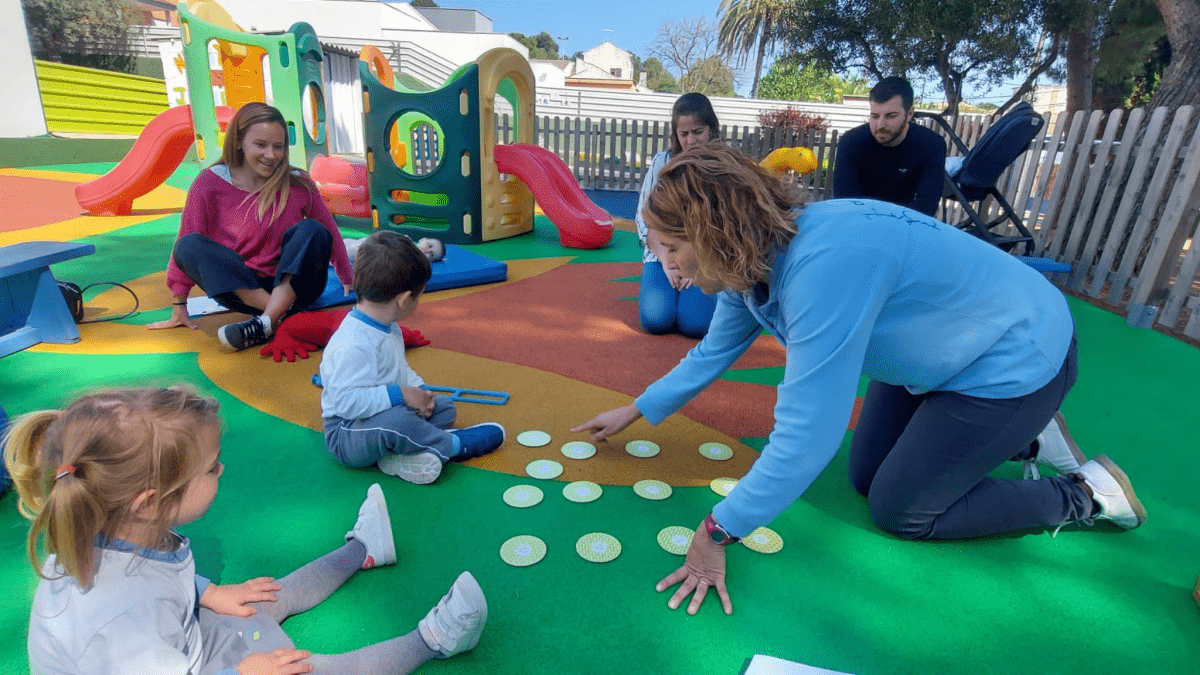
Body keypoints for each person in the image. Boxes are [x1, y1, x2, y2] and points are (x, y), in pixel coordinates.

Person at [572, 143, 1145, 617]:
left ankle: (1087, 494)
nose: (668, 269)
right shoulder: (750, 260)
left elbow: (806, 438)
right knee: (867, 475)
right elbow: (710, 356)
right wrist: (636, 410)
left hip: (1017, 358)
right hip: (941, 355)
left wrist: (718, 531)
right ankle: (1025, 435)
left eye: (673, 249)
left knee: (902, 510)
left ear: (716, 233)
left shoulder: (823, 269)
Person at [3, 386, 488, 674]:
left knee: (261, 598)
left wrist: (208, 593)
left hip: (177, 646)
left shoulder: (108, 525)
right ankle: (434, 640)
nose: (222, 471)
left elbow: (152, 586)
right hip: (178, 662)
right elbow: (137, 614)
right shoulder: (122, 622)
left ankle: (364, 548)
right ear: (149, 504)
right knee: (305, 668)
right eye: (211, 469)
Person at [149, 102, 354, 352]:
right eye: (260, 145)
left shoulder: (299, 183)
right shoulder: (209, 183)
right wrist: (179, 305)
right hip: (242, 289)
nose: (271, 155)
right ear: (239, 142)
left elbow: (328, 230)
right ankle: (281, 316)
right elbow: (188, 239)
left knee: (312, 229)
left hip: (296, 285)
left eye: (278, 147)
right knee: (188, 245)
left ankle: (267, 320)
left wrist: (347, 276)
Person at [320, 231, 505, 485]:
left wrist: (420, 391)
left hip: (380, 417)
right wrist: (401, 395)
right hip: (347, 433)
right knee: (398, 423)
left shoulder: (387, 325)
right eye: (419, 296)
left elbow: (400, 370)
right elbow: (347, 404)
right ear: (405, 299)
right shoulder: (353, 344)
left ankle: (403, 454)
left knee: (443, 408)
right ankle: (454, 446)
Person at [633, 92, 721, 338]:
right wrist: (665, 258)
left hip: (704, 256)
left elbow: (726, 224)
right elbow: (645, 217)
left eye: (698, 132)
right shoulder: (664, 162)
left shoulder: (721, 165)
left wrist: (698, 264)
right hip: (664, 250)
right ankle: (662, 283)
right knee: (655, 320)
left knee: (696, 325)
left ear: (711, 130)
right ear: (676, 134)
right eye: (684, 134)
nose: (691, 140)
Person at [832, 77, 947, 217]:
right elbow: (845, 202)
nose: (880, 125)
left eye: (891, 116)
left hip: (906, 223)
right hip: (857, 220)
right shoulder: (851, 142)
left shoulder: (931, 145)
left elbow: (926, 206)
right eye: (874, 116)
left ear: (909, 113)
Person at [346, 235, 445, 264]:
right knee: (348, 244)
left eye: (431, 254)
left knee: (348, 253)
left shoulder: (414, 261)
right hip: (364, 242)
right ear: (423, 238)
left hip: (369, 253)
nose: (427, 250)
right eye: (430, 246)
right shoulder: (406, 238)